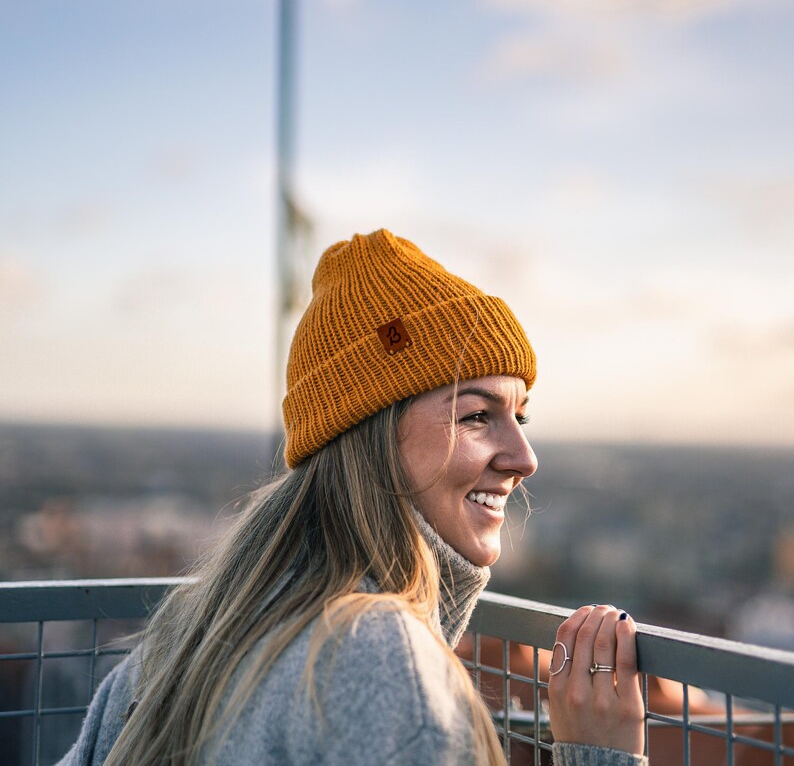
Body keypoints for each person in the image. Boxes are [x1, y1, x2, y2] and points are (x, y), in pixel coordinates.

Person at [58, 228, 646, 765]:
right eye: (475, 415)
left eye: (520, 417)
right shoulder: (383, 668)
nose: (524, 458)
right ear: (370, 438)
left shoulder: (178, 648)